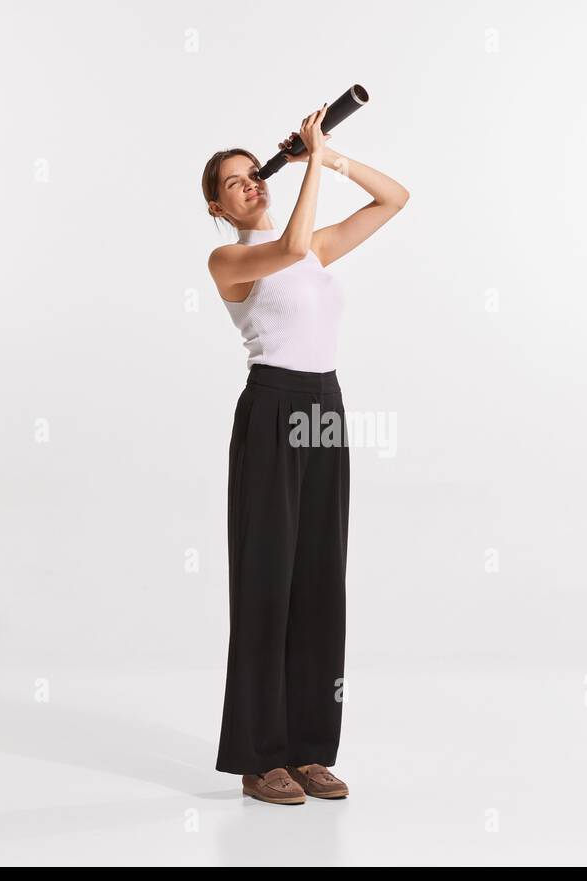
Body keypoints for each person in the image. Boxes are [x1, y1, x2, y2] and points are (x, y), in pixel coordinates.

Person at [200, 104, 409, 804]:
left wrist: (330, 157)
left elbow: (394, 198)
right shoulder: (230, 258)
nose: (248, 185)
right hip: (273, 409)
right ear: (216, 206)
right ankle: (262, 758)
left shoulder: (313, 244)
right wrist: (311, 164)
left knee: (320, 579)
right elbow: (286, 249)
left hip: (325, 409)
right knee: (268, 582)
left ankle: (310, 747)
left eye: (250, 173)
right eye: (234, 184)